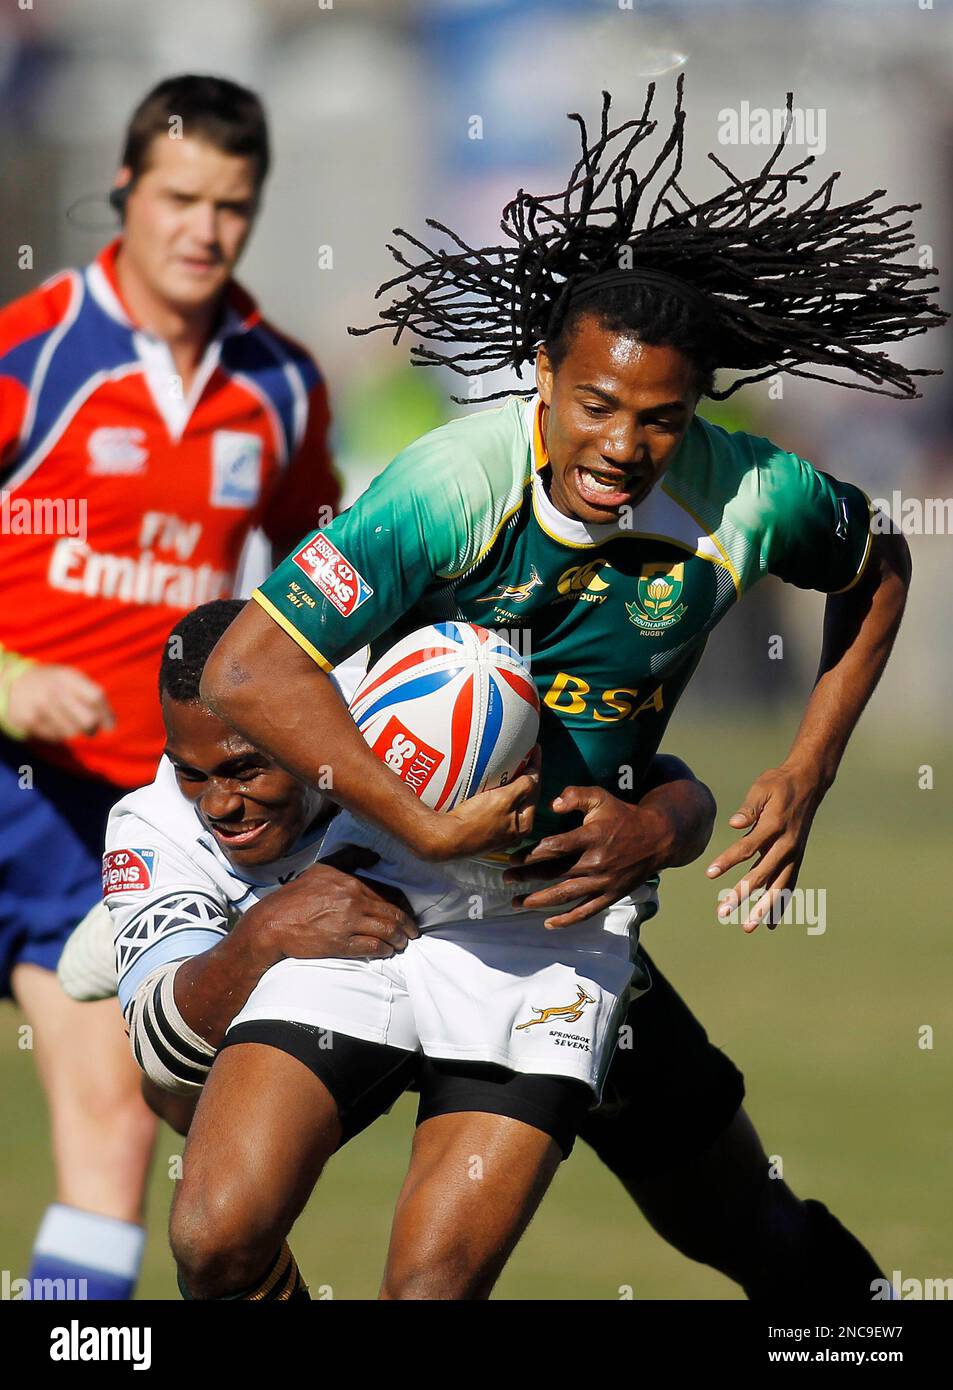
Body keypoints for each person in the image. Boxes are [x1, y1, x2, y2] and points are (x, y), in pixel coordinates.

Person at [190, 81, 937, 1300]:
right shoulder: (451, 479)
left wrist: (804, 767)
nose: (619, 445)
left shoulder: (745, 493)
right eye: (594, 404)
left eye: (658, 418)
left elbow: (878, 561)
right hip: (381, 883)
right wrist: (421, 818)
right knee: (217, 1237)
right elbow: (247, 668)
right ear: (541, 373)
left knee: (460, 1282)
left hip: (553, 928)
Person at [0, 74, 339, 1299]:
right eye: (181, 198)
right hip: (14, 764)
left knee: (115, 1128)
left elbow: (329, 575)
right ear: (128, 192)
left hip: (105, 810)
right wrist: (9, 676)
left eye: (233, 206)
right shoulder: (31, 355)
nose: (204, 229)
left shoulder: (283, 384)